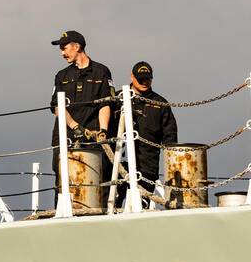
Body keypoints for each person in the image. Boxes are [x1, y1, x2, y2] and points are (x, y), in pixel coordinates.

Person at [49, 30, 113, 194]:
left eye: (64, 48)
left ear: (77, 46)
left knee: (98, 180)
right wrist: (74, 126)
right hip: (66, 137)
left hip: (93, 139)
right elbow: (57, 107)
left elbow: (106, 103)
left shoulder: (101, 71)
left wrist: (103, 131)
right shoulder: (61, 76)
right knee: (64, 182)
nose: (62, 53)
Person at [114, 60, 178, 204]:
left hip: (147, 166)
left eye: (147, 78)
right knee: (113, 204)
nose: (144, 82)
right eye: (140, 78)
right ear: (132, 77)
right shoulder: (116, 99)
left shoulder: (160, 103)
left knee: (143, 205)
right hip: (117, 163)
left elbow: (170, 138)